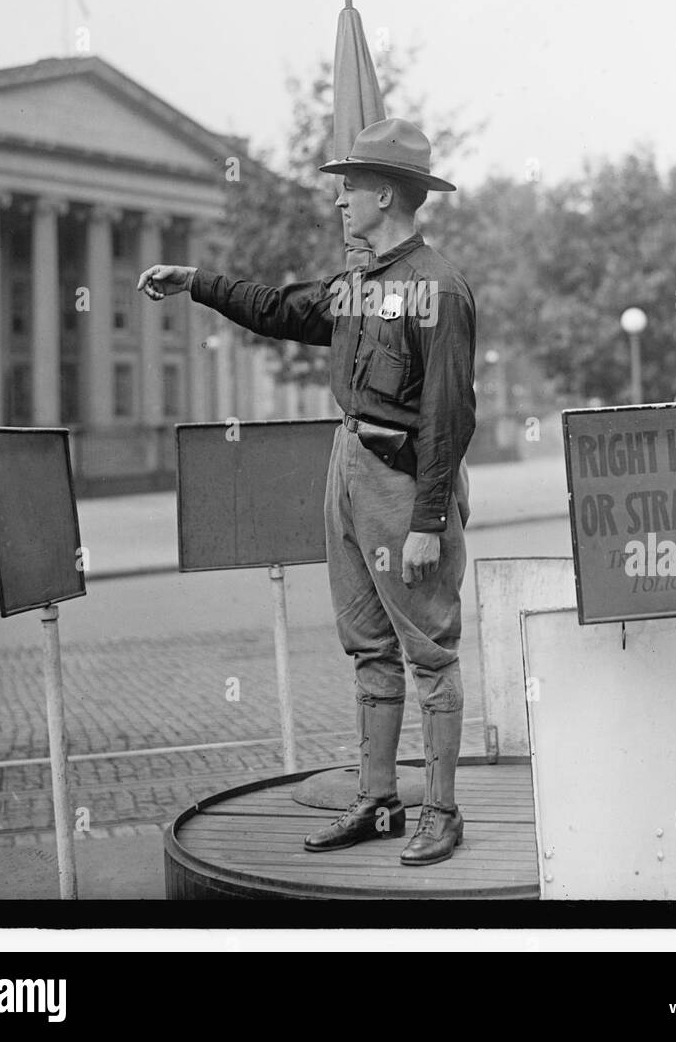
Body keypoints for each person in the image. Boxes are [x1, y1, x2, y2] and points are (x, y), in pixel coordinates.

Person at [137, 117, 476, 866]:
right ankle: (379, 798)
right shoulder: (357, 285)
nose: (338, 202)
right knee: (367, 644)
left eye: (348, 189)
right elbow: (281, 309)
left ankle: (442, 812)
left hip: (402, 481)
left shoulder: (438, 289)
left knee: (429, 650)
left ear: (384, 194)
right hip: (347, 464)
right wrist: (197, 283)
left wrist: (426, 520)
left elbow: (450, 414)